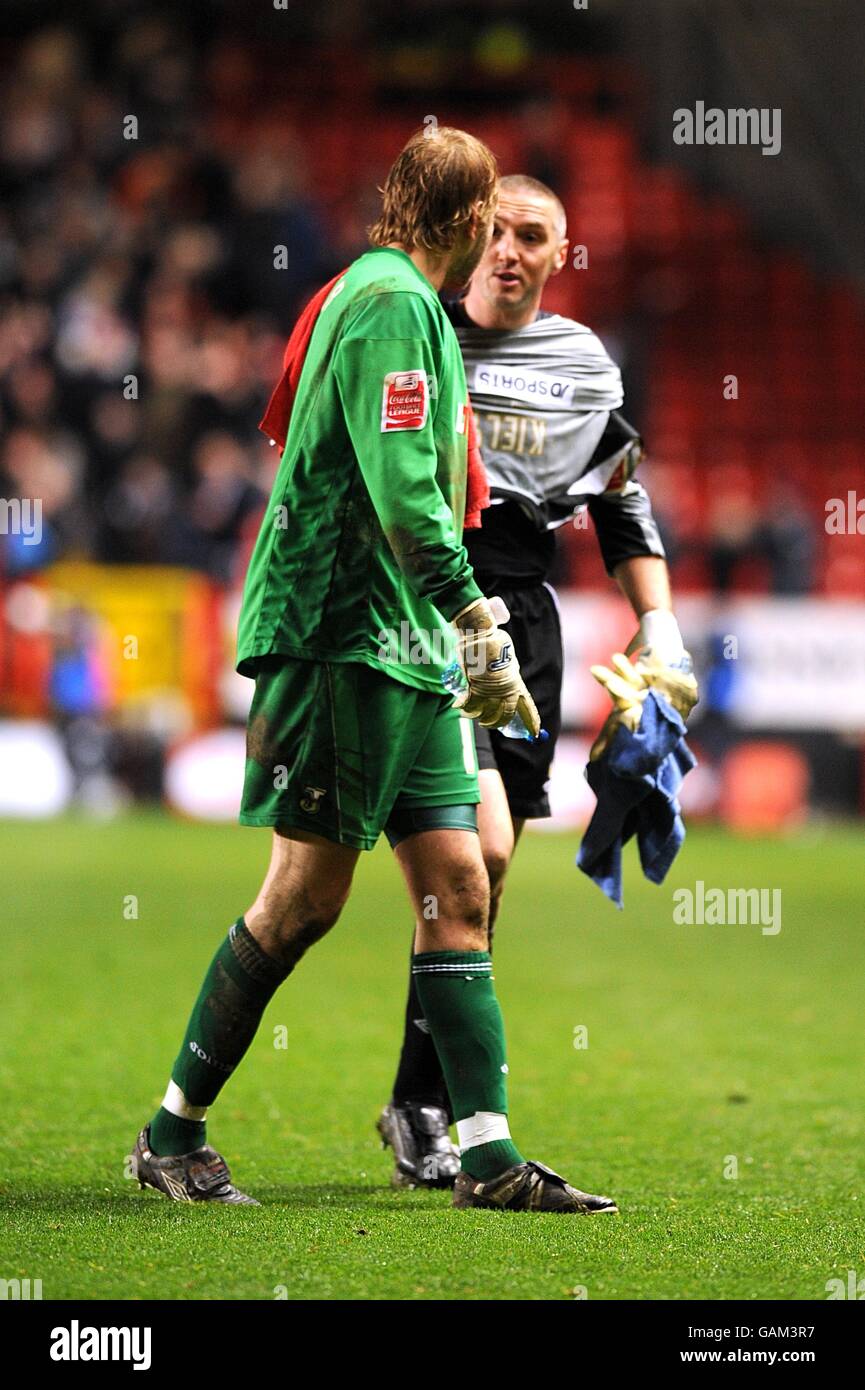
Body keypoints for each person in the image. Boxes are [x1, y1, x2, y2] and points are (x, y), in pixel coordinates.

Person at [128, 135, 617, 1215]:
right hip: (345, 635)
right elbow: (403, 493)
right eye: (490, 215)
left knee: (460, 880)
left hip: (406, 646)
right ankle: (171, 1131)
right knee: (304, 899)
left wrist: (451, 633)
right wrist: (476, 616)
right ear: (464, 216)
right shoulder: (394, 306)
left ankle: (485, 1157)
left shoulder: (391, 298)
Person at [379, 174, 694, 1188]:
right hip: (437, 603)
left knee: (487, 873)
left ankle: (415, 1100)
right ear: (471, 239)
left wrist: (661, 625)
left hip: (529, 615)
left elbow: (619, 503)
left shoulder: (583, 363)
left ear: (560, 253)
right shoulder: (417, 333)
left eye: (533, 236)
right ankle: (440, 1113)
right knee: (480, 850)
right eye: (497, 231)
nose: (510, 250)